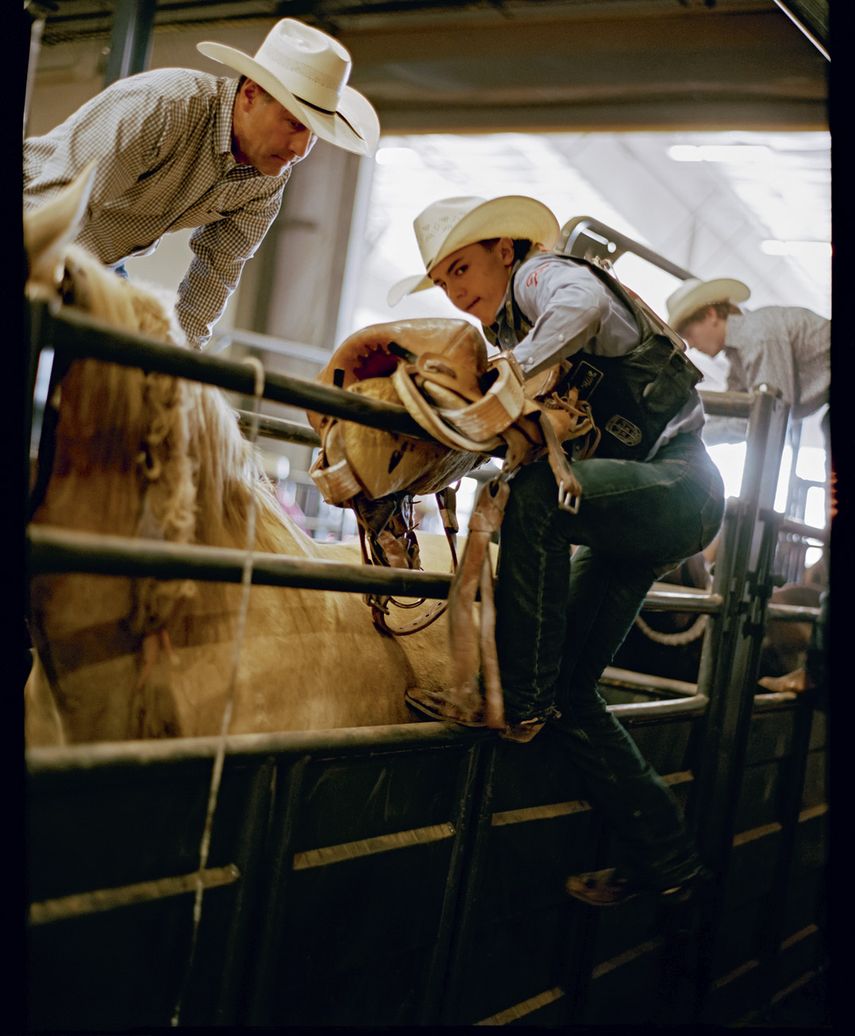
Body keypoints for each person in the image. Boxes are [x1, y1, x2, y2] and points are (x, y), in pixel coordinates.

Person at [387, 196, 725, 906]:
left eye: (462, 267)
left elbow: (576, 307)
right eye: (442, 280)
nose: (455, 290)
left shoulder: (542, 279)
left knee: (536, 495)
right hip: (653, 502)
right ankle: (669, 862)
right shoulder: (522, 328)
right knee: (579, 692)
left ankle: (520, 695)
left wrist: (498, 384)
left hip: (674, 483)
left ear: (505, 251)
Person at [23, 17, 379, 350]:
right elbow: (58, 203)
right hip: (31, 226)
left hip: (96, 261)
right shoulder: (163, 106)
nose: (301, 150)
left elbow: (217, 271)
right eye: (294, 125)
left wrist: (178, 360)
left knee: (127, 373)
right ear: (251, 94)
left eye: (313, 136)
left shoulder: (267, 180)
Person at [665, 277, 830, 451]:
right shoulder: (739, 353)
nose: (690, 345)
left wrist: (692, 434)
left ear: (710, 315)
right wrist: (688, 429)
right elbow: (732, 410)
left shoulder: (757, 335)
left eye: (689, 334)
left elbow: (770, 414)